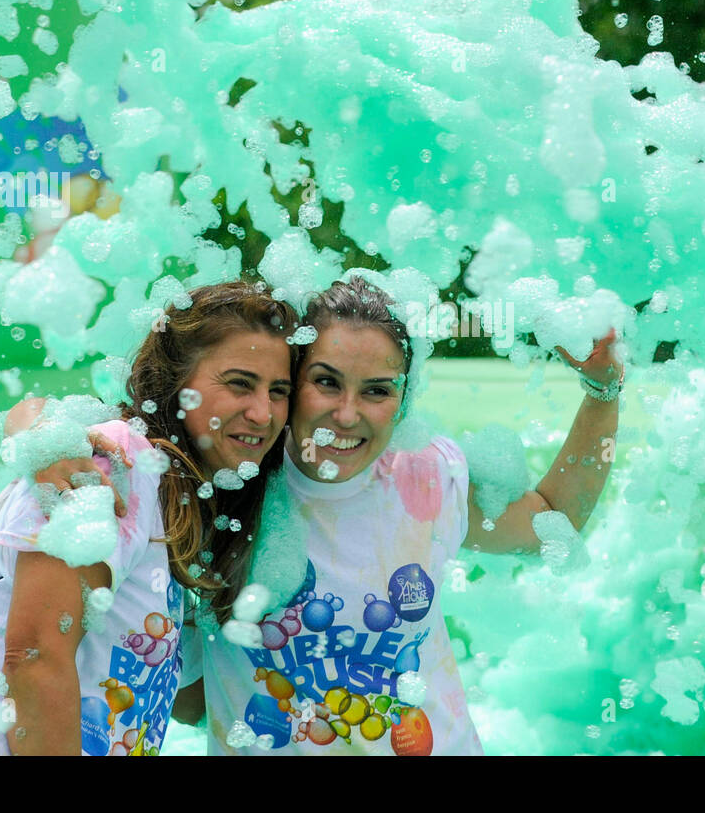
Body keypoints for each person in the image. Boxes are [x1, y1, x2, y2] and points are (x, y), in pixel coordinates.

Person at [0, 281, 298, 756]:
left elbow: (187, 700)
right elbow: (34, 657)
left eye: (278, 391)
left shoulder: (178, 514)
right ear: (178, 384)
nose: (263, 412)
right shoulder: (115, 465)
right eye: (239, 383)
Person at [167, 274, 624, 755]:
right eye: (327, 382)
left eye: (377, 391)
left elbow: (554, 522)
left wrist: (602, 392)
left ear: (403, 401)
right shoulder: (230, 487)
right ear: (291, 384)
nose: (347, 414)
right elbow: (186, 696)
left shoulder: (424, 479)